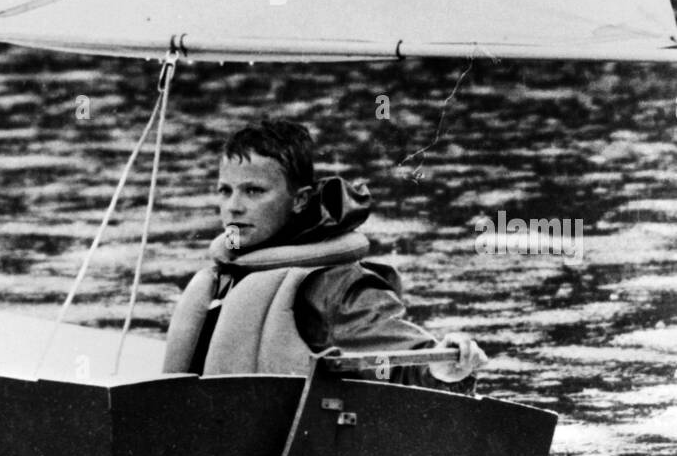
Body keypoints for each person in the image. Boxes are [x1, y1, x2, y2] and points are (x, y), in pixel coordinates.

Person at [163, 116, 487, 389]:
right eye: (225, 191)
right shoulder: (224, 277)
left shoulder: (336, 286)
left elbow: (400, 360)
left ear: (300, 200)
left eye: (253, 191)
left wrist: (442, 367)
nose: (233, 207)